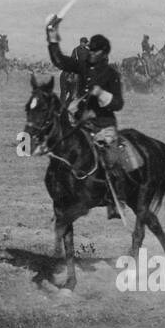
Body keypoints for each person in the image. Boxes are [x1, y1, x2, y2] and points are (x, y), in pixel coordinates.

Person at [45, 16, 128, 219]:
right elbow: (59, 60)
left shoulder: (111, 74)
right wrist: (52, 36)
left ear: (103, 53)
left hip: (102, 126)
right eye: (89, 50)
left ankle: (115, 201)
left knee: (112, 159)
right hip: (81, 122)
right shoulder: (83, 67)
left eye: (94, 51)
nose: (90, 53)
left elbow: (118, 104)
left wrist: (102, 94)